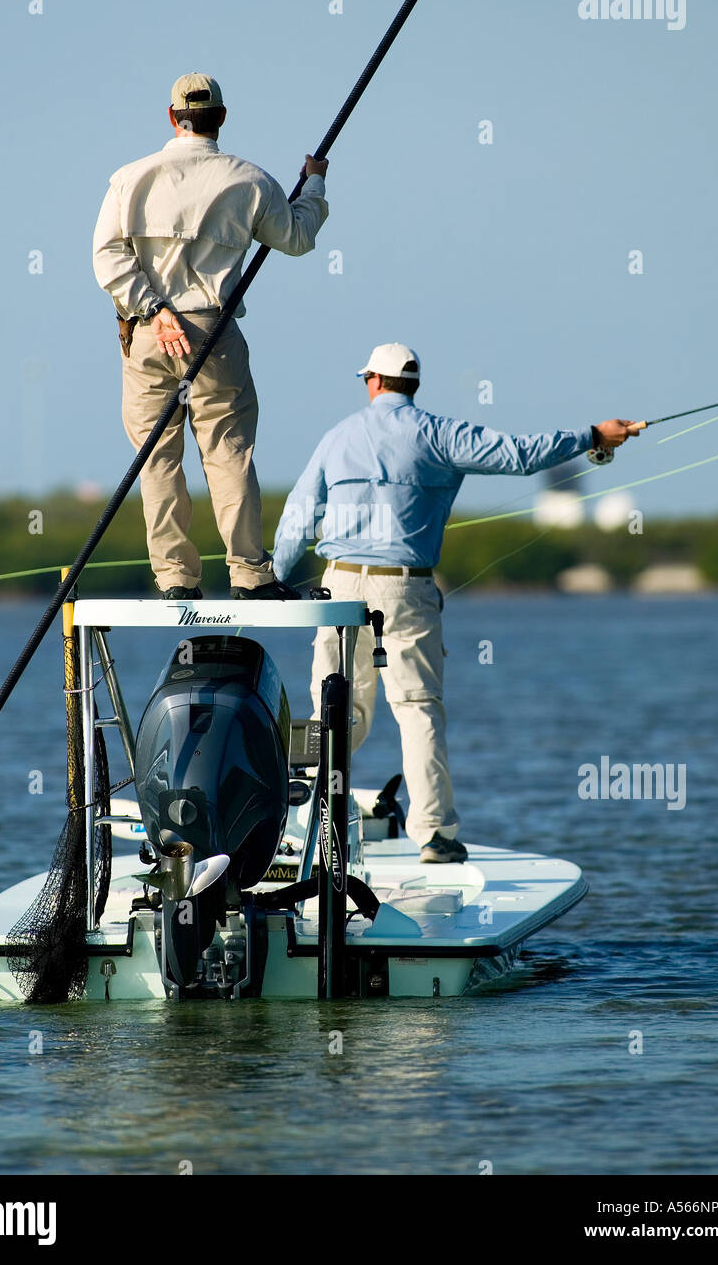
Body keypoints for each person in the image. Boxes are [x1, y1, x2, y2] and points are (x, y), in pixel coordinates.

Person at [272, 343, 637, 862]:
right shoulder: (441, 434)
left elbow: (300, 510)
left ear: (373, 382)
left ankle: (298, 825)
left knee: (333, 711)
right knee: (417, 709)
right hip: (405, 587)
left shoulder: (338, 436)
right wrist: (593, 436)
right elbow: (520, 454)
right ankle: (435, 836)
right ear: (413, 385)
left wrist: (271, 579)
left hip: (338, 588)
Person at [93, 72, 329, 600]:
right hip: (214, 332)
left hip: (147, 334)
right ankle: (249, 575)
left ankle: (176, 580)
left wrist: (153, 308)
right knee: (229, 452)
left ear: (172, 117)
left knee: (157, 459)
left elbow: (107, 257)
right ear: (220, 117)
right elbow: (297, 237)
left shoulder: (129, 178)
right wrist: (313, 182)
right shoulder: (250, 180)